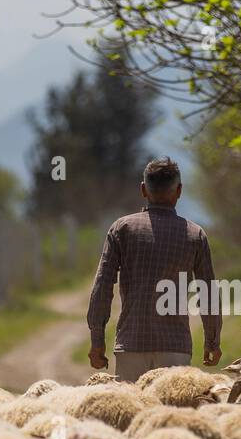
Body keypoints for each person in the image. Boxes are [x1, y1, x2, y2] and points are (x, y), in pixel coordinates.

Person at [86, 156, 222, 382]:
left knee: (129, 414)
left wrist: (97, 340)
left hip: (131, 345)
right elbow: (207, 294)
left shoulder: (122, 229)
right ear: (178, 191)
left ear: (143, 190)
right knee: (171, 416)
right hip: (175, 350)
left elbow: (102, 286)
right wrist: (212, 341)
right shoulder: (195, 234)